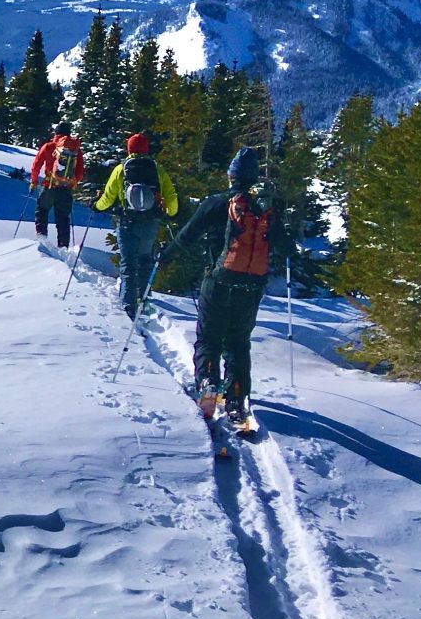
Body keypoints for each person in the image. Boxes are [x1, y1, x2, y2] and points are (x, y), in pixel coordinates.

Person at [170, 146, 289, 428]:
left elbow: (188, 235)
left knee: (209, 338)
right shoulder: (268, 207)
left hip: (219, 281)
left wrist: (164, 256)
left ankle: (208, 383)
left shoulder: (217, 203)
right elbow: (286, 246)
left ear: (231, 175)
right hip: (252, 287)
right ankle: (236, 397)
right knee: (238, 343)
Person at [94, 132, 178, 316]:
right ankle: (144, 298)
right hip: (150, 221)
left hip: (127, 221)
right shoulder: (157, 169)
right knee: (145, 259)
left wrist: (97, 206)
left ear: (129, 148)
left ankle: (128, 304)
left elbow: (108, 196)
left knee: (128, 262)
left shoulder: (121, 169)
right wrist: (171, 212)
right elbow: (171, 195)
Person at [27, 123, 85, 249]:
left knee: (41, 212)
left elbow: (36, 164)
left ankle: (42, 241)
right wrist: (72, 183)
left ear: (56, 133)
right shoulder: (75, 151)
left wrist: (34, 181)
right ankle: (63, 247)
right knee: (63, 219)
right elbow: (80, 171)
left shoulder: (49, 146)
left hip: (49, 186)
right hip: (65, 189)